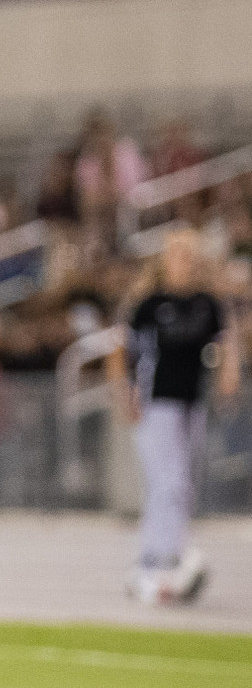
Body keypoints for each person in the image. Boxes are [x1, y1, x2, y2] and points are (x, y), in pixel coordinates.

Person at [107, 228, 240, 604]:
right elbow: (121, 350)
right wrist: (125, 394)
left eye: (189, 254)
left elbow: (226, 340)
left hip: (192, 403)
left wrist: (230, 372)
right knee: (169, 481)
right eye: (177, 254)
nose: (184, 261)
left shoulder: (206, 304)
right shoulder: (150, 304)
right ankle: (162, 560)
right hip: (156, 402)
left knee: (181, 485)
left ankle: (155, 560)